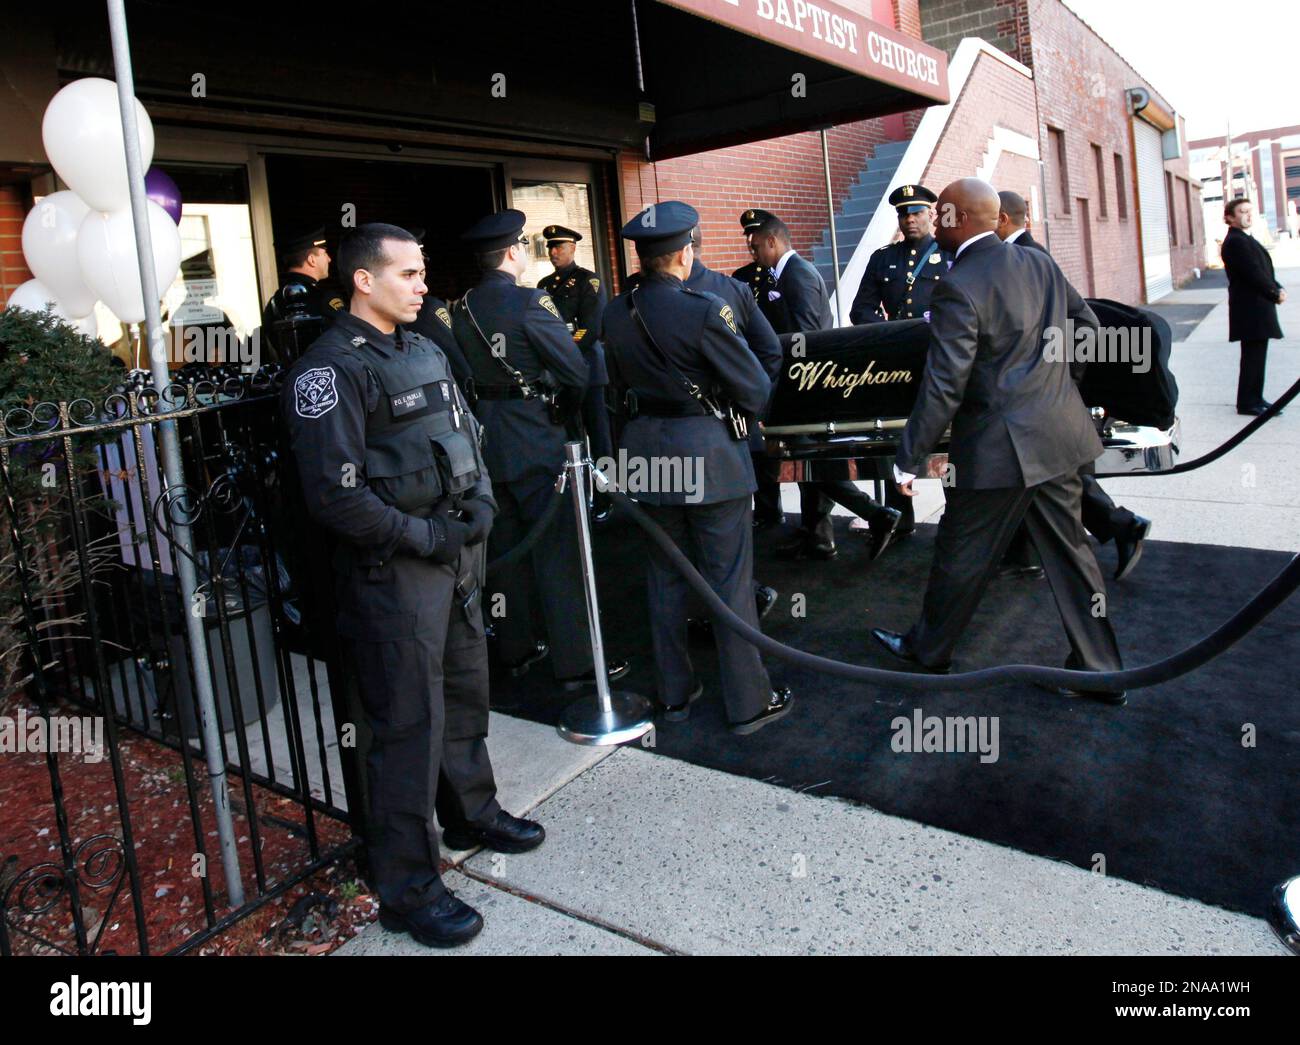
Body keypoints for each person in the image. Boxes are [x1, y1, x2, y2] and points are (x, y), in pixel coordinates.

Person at [280, 223, 544, 949]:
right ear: (363, 280)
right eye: (409, 274)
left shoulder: (424, 346)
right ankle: (408, 885)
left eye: (424, 272)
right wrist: (424, 537)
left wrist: (481, 506)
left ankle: (473, 811)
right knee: (405, 727)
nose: (424, 285)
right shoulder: (328, 372)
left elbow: (469, 434)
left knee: (464, 690)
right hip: (393, 573)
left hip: (454, 556)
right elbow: (335, 497)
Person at [870, 179, 1126, 704]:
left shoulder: (959, 284)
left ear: (960, 218)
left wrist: (908, 457)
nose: (933, 221)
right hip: (1058, 437)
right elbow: (1087, 322)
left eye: (940, 213)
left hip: (996, 450)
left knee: (961, 554)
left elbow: (945, 382)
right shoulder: (1039, 263)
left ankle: (929, 652)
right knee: (1073, 553)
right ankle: (1101, 670)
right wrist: (1058, 384)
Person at [603, 200, 793, 735]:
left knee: (663, 579)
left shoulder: (616, 312)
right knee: (729, 581)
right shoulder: (702, 307)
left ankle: (675, 695)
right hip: (707, 457)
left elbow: (615, 389)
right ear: (685, 253)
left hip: (646, 455)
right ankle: (748, 703)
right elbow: (755, 386)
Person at [451, 209, 628, 688]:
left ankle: (516, 648)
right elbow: (576, 372)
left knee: (503, 549)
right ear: (512, 252)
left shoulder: (460, 307)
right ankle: (576, 664)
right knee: (558, 553)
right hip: (535, 437)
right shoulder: (533, 302)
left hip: (487, 440)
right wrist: (557, 406)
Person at [995, 189, 1152, 581]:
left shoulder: (1026, 258)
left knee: (1052, 474)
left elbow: (1081, 322)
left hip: (1041, 393)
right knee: (1034, 474)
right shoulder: (1022, 255)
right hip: (1032, 393)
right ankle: (1026, 553)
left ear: (1000, 218)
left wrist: (1063, 377)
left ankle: (1120, 525)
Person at [749, 212, 902, 561]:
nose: (752, 252)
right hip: (802, 388)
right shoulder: (786, 274)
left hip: (804, 389)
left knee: (810, 462)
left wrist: (782, 388)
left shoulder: (797, 276)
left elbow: (807, 340)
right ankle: (818, 536)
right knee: (808, 464)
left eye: (756, 246)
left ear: (773, 241)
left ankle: (877, 515)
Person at [537, 224, 614, 521]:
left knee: (599, 435)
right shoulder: (544, 285)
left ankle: (606, 496)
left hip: (587, 369)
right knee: (570, 438)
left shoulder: (588, 281)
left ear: (572, 248)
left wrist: (563, 352)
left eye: (559, 246)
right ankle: (578, 496)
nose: (554, 252)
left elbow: (591, 327)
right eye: (550, 247)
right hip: (559, 373)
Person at [849, 184, 952, 324]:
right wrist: (887, 333)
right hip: (896, 341)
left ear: (931, 215)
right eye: (904, 214)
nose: (910, 220)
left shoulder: (949, 253)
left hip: (936, 339)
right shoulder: (882, 258)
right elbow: (861, 309)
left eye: (917, 213)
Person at [1221, 197, 1286, 416]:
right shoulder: (1235, 241)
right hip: (1250, 308)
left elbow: (1263, 269)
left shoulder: (1245, 238)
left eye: (1250, 211)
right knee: (1252, 357)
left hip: (1257, 307)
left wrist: (1277, 286)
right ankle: (1249, 402)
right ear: (1230, 217)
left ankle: (1256, 398)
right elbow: (1253, 272)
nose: (1248, 215)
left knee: (1257, 356)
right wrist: (1274, 292)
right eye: (1242, 211)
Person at [262, 226, 346, 364]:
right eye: (324, 253)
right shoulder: (324, 299)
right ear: (312, 260)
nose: (329, 259)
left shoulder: (274, 302)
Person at [732, 208, 785, 332]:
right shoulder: (740, 275)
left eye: (755, 234)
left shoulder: (784, 271)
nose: (750, 240)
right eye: (747, 235)